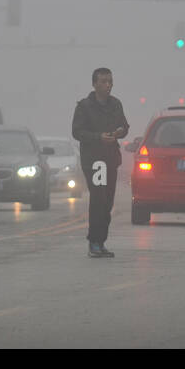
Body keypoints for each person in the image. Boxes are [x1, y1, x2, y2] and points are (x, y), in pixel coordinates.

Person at [72, 67, 129, 258]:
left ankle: (101, 241)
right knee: (98, 199)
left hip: (111, 158)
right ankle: (94, 242)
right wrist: (98, 137)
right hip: (95, 161)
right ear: (94, 84)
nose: (108, 85)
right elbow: (77, 132)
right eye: (103, 81)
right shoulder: (85, 106)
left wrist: (119, 132)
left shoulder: (116, 105)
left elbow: (124, 126)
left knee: (107, 201)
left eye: (110, 81)